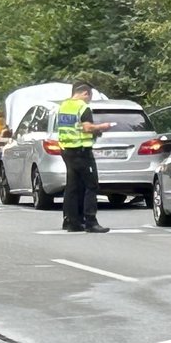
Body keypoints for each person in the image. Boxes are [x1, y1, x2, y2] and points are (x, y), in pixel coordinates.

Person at [52, 81, 112, 234]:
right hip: (82, 151)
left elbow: (71, 128)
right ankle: (91, 221)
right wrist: (102, 127)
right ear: (86, 93)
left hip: (67, 151)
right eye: (89, 97)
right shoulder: (83, 107)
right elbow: (86, 128)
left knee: (72, 187)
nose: (89, 100)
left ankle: (72, 222)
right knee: (91, 186)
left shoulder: (63, 106)